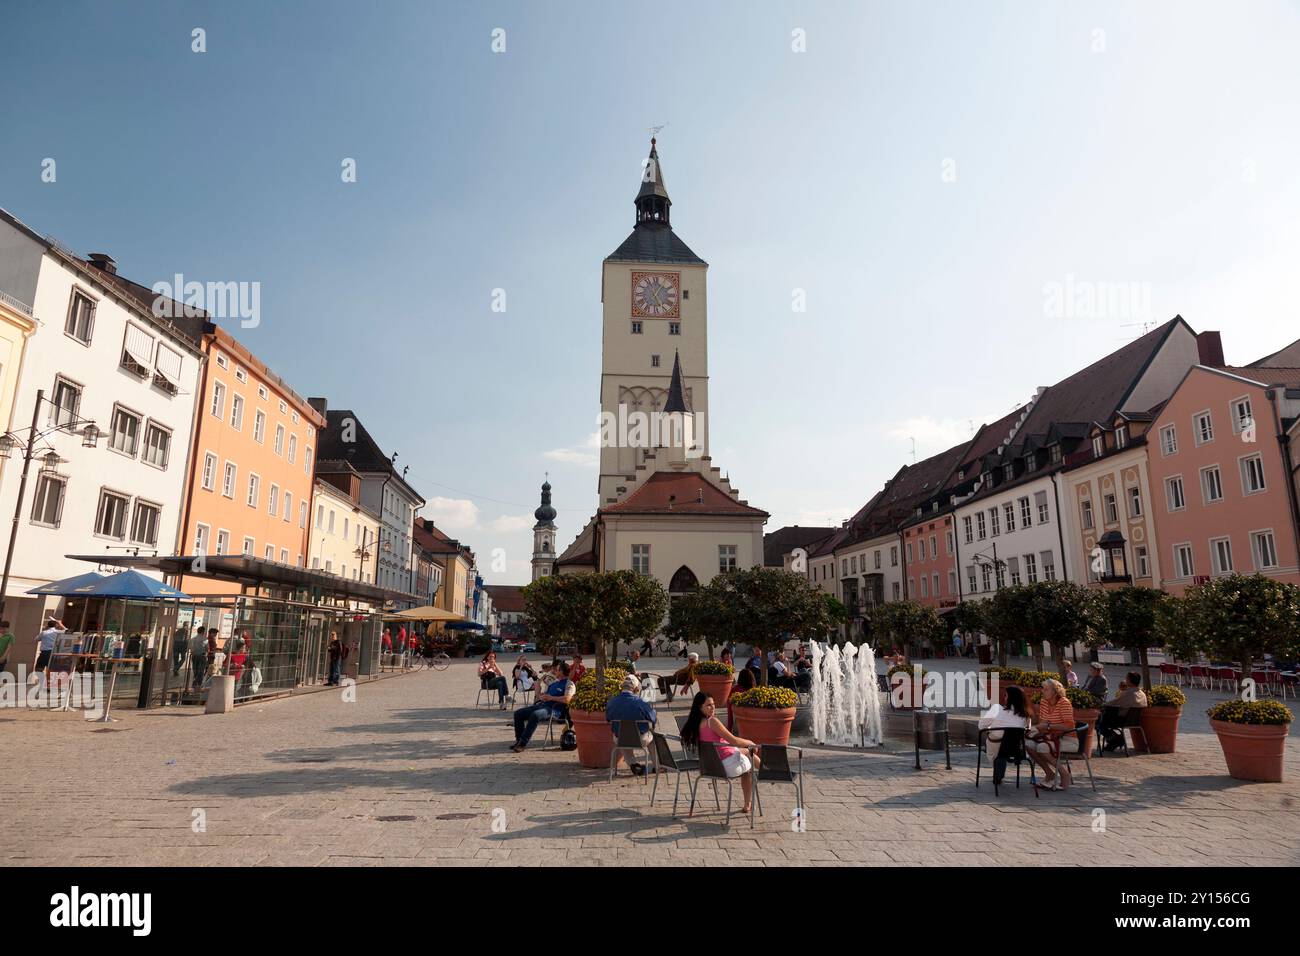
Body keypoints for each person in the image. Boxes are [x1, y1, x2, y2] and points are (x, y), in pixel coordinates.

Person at [680, 692, 762, 814]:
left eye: (713, 704)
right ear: (700, 707)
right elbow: (734, 740)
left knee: (746, 753)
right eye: (708, 705)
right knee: (749, 757)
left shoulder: (694, 724)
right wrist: (750, 742)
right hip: (725, 766)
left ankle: (765, 770)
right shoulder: (712, 722)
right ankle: (750, 800)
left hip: (709, 766)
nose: (712, 707)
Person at [1025, 679, 1076, 790]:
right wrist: (1035, 729)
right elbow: (1042, 723)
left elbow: (1069, 726)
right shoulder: (1044, 702)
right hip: (1049, 736)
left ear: (1055, 691)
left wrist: (1049, 726)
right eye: (1043, 689)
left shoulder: (1064, 702)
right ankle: (1049, 773)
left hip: (1067, 738)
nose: (1043, 691)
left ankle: (1064, 773)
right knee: (1028, 744)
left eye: (1046, 689)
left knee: (1041, 747)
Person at [511, 661, 574, 752]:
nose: (554, 671)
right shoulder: (553, 683)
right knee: (518, 713)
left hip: (555, 710)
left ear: (561, 671)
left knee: (535, 715)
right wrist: (538, 691)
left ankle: (522, 743)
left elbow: (567, 699)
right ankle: (519, 740)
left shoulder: (569, 684)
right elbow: (542, 698)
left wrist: (551, 698)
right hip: (543, 706)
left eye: (556, 669)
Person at [978, 686, 1031, 786]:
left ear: (1009, 698)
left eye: (1005, 695)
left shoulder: (997, 708)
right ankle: (1000, 766)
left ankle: (998, 769)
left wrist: (991, 728)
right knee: (1004, 745)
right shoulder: (1026, 714)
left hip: (995, 746)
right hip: (1015, 748)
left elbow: (981, 726)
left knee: (995, 741)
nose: (1004, 698)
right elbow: (1027, 731)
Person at [606, 674, 658, 775]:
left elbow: (608, 719)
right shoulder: (640, 702)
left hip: (620, 739)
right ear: (635, 688)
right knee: (653, 739)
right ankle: (658, 766)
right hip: (640, 739)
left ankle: (633, 763)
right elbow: (653, 718)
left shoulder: (611, 702)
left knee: (622, 736)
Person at [1098, 671, 1149, 752]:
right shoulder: (1142, 694)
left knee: (1099, 721)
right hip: (1135, 721)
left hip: (1122, 721)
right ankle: (1114, 741)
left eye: (1126, 678)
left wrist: (1102, 705)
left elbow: (1113, 703)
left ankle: (1116, 739)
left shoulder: (1129, 693)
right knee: (1103, 719)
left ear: (1129, 680)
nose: (1125, 680)